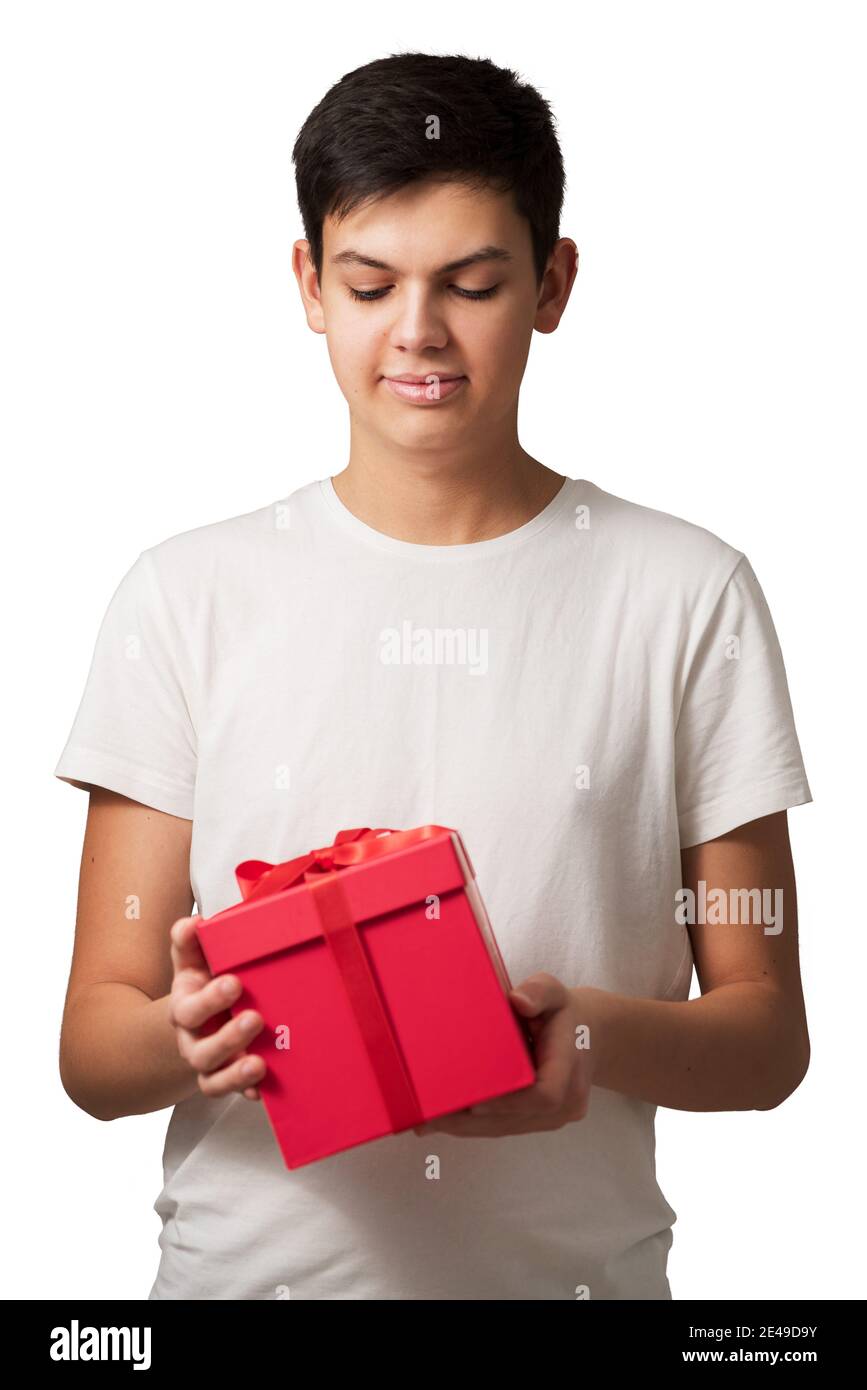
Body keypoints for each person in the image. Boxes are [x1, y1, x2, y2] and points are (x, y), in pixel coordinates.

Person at [55, 51, 813, 1300]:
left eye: (471, 283)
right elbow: (95, 1044)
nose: (418, 332)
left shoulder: (688, 594)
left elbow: (766, 1031)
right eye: (370, 284)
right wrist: (185, 1037)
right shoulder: (185, 596)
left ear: (553, 283)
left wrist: (584, 1031)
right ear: (309, 284)